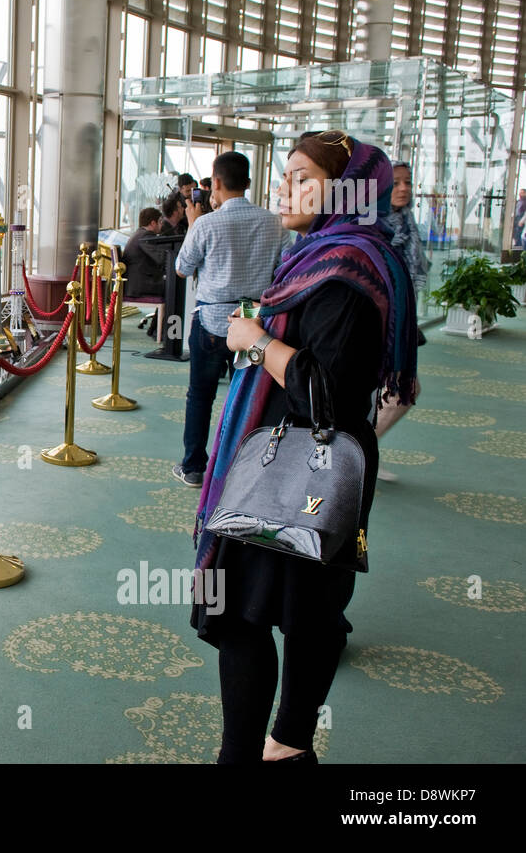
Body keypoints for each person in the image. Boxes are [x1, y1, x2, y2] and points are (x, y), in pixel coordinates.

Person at [191, 130, 418, 763]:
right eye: (284, 175)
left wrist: (252, 340)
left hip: (301, 469)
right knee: (307, 615)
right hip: (303, 465)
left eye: (301, 177)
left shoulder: (345, 270)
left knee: (248, 617)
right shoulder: (329, 254)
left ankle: (266, 751)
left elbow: (326, 394)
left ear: (346, 190)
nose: (284, 189)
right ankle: (286, 748)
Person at [171, 152, 284, 487]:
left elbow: (182, 268)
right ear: (248, 183)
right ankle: (245, 468)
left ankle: (193, 467)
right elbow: (283, 271)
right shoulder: (273, 222)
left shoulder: (206, 223)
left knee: (200, 395)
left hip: (211, 316)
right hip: (251, 317)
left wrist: (194, 224)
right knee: (248, 395)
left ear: (215, 183)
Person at [374, 161, 427, 481]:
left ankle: (360, 450)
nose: (404, 188)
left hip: (401, 321)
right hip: (380, 323)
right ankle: (358, 451)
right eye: (397, 183)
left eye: (408, 182)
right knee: (403, 389)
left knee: (399, 390)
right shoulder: (375, 226)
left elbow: (416, 270)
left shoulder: (407, 223)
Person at [123, 207, 167, 300]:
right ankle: (169, 314)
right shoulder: (145, 236)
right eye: (160, 221)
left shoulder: (139, 234)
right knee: (172, 286)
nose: (162, 225)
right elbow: (161, 258)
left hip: (135, 285)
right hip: (141, 286)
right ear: (153, 223)